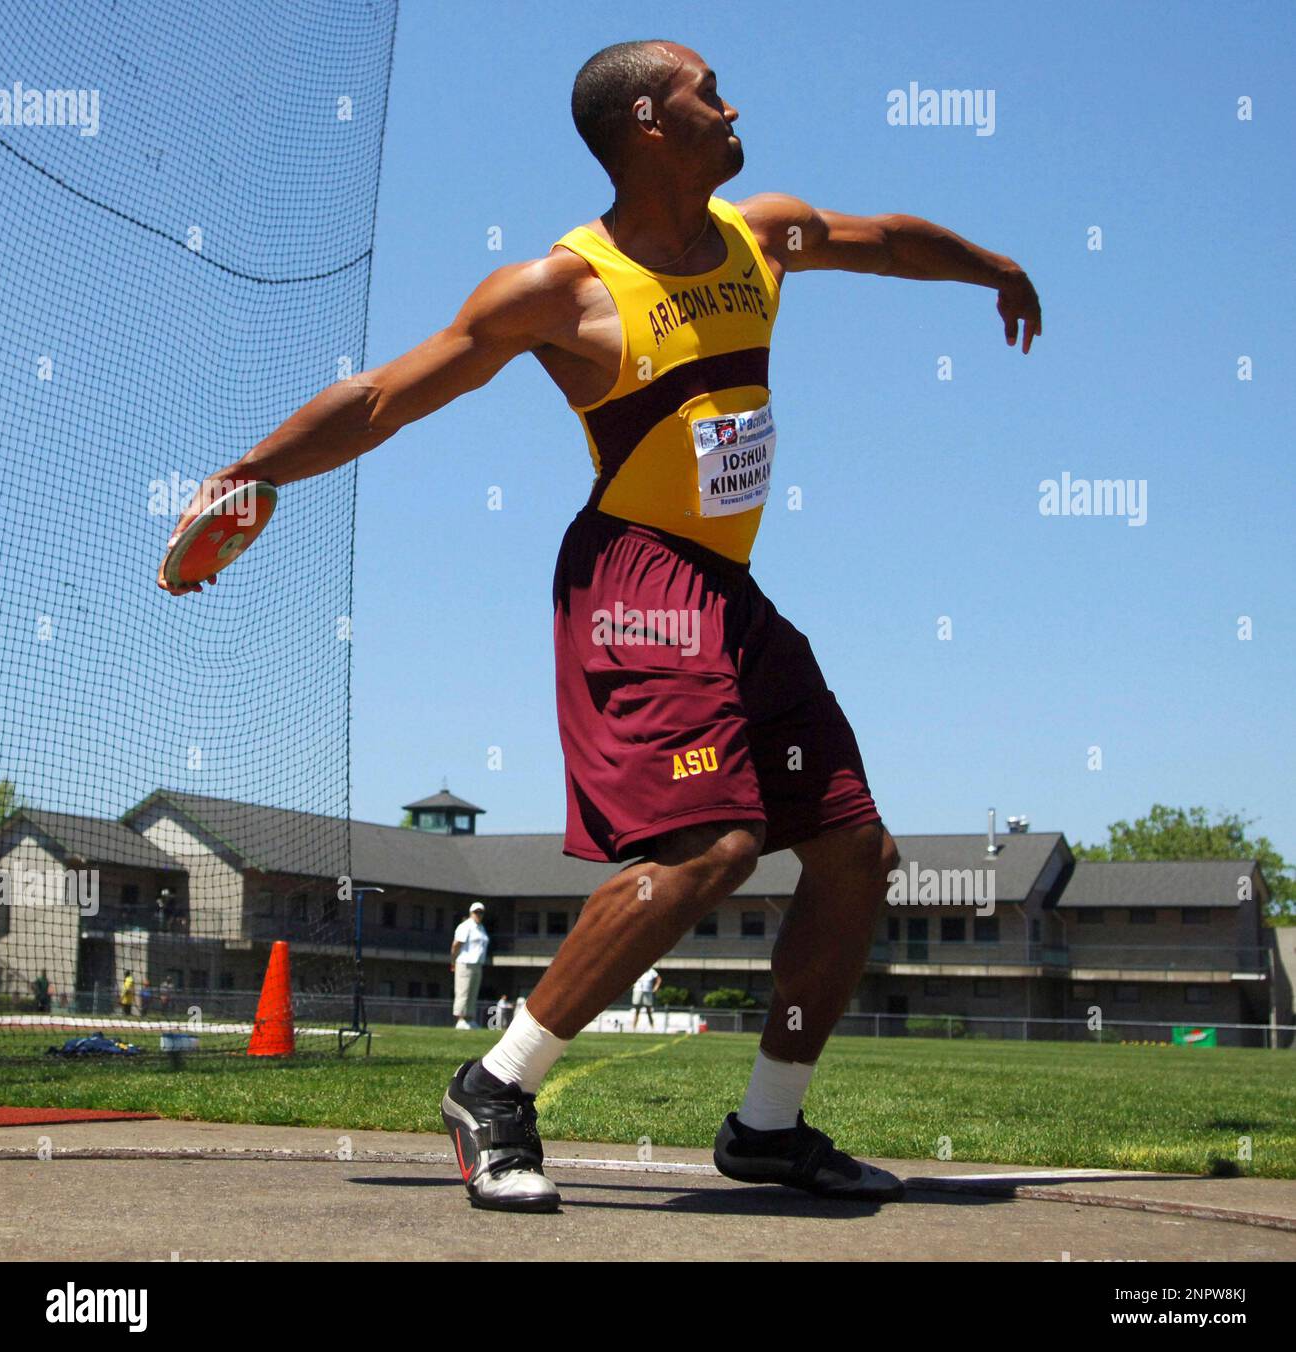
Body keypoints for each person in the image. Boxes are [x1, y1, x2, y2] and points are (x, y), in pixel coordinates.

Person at [159, 41, 1040, 1214]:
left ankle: (768, 1128)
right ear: (647, 121)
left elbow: (880, 237)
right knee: (706, 845)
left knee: (853, 855)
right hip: (636, 582)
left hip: (733, 598)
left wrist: (994, 268)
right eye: (707, 91)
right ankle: (495, 1082)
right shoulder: (559, 291)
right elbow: (384, 393)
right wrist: (250, 473)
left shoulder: (758, 232)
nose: (733, 105)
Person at [450, 902, 490, 1029]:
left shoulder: (481, 928)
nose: (479, 914)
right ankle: (460, 1019)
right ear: (471, 913)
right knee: (463, 991)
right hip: (465, 963)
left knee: (473, 992)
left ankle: (469, 1018)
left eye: (481, 912)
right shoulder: (465, 926)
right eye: (476, 912)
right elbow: (456, 945)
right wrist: (453, 961)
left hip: (478, 964)